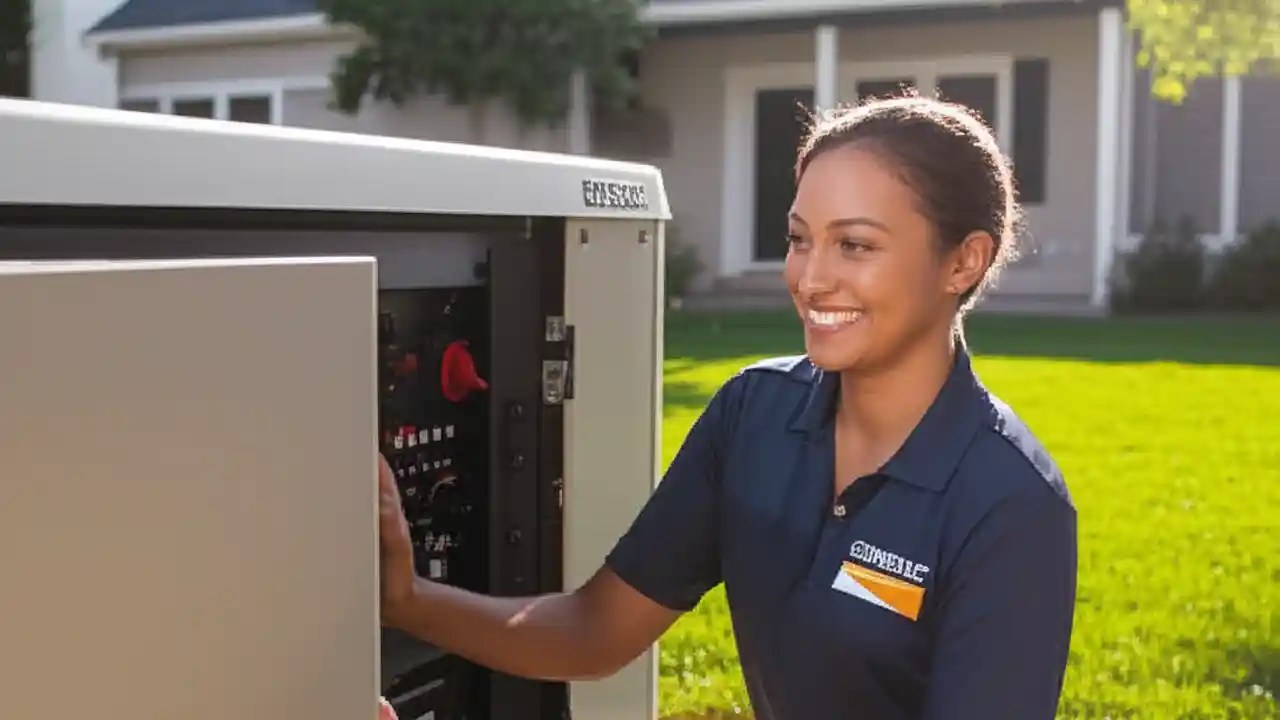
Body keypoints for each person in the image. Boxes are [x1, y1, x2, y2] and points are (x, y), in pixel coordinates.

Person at [377, 93, 1077, 720]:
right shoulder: (753, 417)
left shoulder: (1010, 503)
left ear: (964, 262)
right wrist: (405, 599)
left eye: (855, 245)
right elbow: (593, 633)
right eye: (800, 239)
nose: (811, 278)